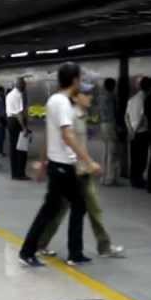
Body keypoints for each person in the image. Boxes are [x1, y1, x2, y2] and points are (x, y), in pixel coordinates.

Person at [19, 64, 100, 266]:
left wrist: (44, 161)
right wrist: (88, 160)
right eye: (79, 79)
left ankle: (65, 252)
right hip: (64, 165)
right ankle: (69, 253)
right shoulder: (63, 103)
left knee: (58, 207)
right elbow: (67, 134)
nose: (80, 83)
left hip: (57, 164)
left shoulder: (52, 100)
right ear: (74, 80)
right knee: (71, 206)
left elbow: (49, 133)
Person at [35, 82, 125, 259]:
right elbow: (64, 142)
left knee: (95, 210)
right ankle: (41, 244)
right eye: (86, 94)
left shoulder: (82, 116)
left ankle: (104, 246)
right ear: (76, 97)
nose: (90, 97)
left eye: (90, 93)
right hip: (72, 173)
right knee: (59, 211)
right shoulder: (71, 117)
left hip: (83, 173)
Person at [126, 78, 149, 190]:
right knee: (142, 157)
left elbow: (126, 116)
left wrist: (130, 130)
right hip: (141, 132)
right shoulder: (145, 99)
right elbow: (142, 117)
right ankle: (139, 180)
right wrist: (135, 130)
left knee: (134, 157)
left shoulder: (131, 99)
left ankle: (133, 179)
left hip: (132, 133)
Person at [98, 78, 121, 186]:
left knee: (105, 151)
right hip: (111, 124)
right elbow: (114, 112)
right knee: (112, 151)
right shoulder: (111, 97)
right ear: (112, 86)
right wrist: (118, 126)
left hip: (102, 124)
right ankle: (110, 178)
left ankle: (103, 176)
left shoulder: (100, 97)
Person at [7, 77, 30, 180]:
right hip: (17, 123)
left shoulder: (9, 94)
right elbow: (19, 114)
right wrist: (24, 128)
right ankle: (20, 173)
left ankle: (14, 173)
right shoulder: (18, 95)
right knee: (22, 149)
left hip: (10, 121)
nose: (25, 86)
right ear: (19, 84)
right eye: (24, 84)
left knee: (13, 148)